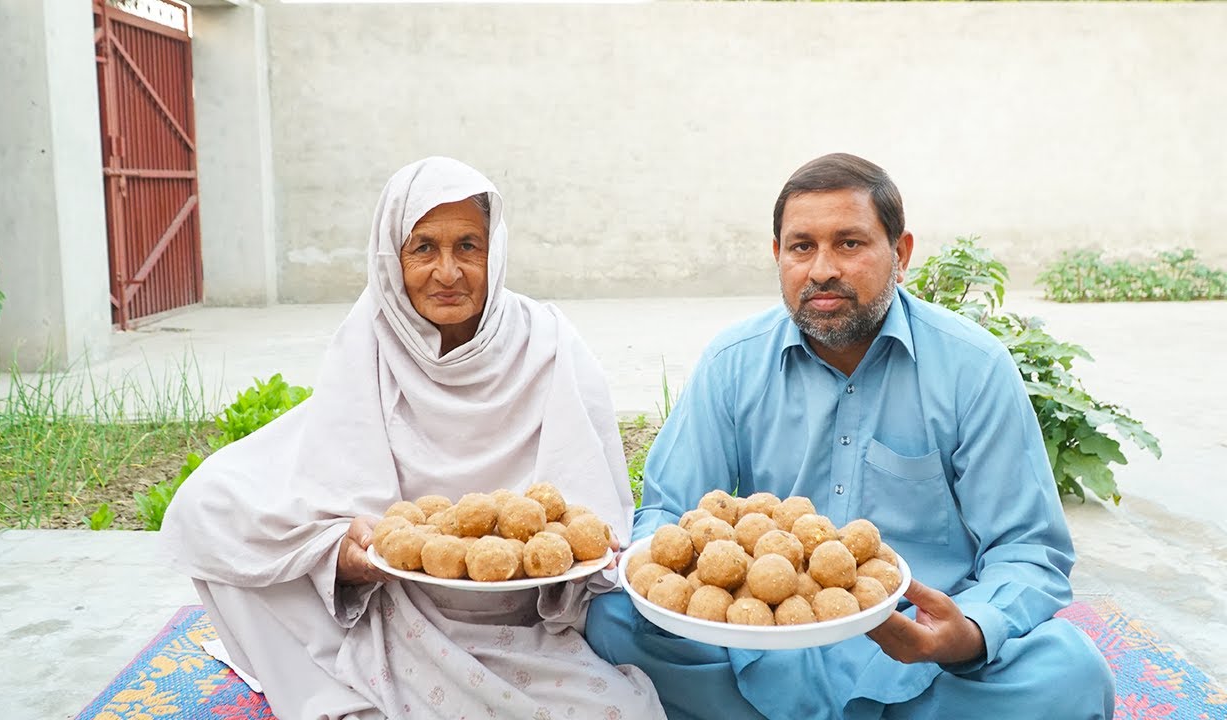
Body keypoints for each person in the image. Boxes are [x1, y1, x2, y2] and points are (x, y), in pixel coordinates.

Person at [583, 153, 1114, 720]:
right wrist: (650, 568)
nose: (821, 270)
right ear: (778, 255)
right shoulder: (732, 363)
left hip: (917, 651)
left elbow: (1028, 549)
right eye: (801, 246)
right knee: (609, 620)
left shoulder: (974, 368)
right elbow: (669, 511)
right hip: (759, 642)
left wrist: (967, 633)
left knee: (1071, 673)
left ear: (901, 254)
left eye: (850, 244)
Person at [160, 157, 666, 720]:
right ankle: (338, 694)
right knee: (209, 512)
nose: (447, 272)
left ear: (493, 250)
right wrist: (341, 552)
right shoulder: (368, 338)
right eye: (423, 247)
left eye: (467, 246)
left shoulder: (546, 341)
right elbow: (335, 482)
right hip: (392, 600)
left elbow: (588, 510)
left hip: (521, 608)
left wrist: (565, 555)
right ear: (390, 256)